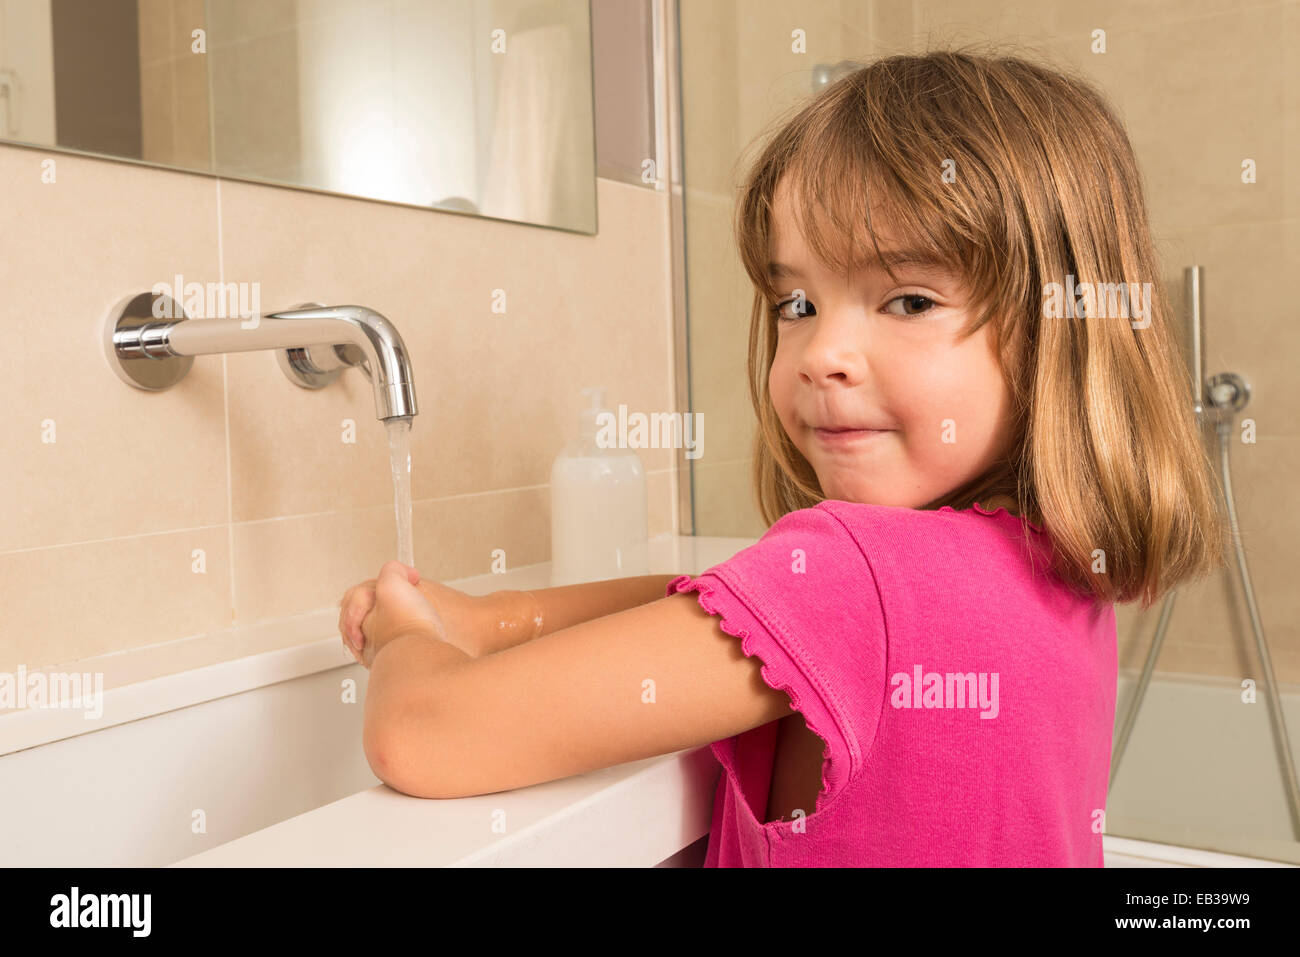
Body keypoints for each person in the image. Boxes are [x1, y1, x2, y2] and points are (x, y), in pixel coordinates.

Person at [337, 49, 1228, 867]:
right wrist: (504, 618)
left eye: (908, 299)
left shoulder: (857, 577)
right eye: (797, 301)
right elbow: (732, 601)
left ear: (1058, 336)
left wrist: (406, 638)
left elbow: (421, 733)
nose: (820, 353)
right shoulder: (1050, 562)